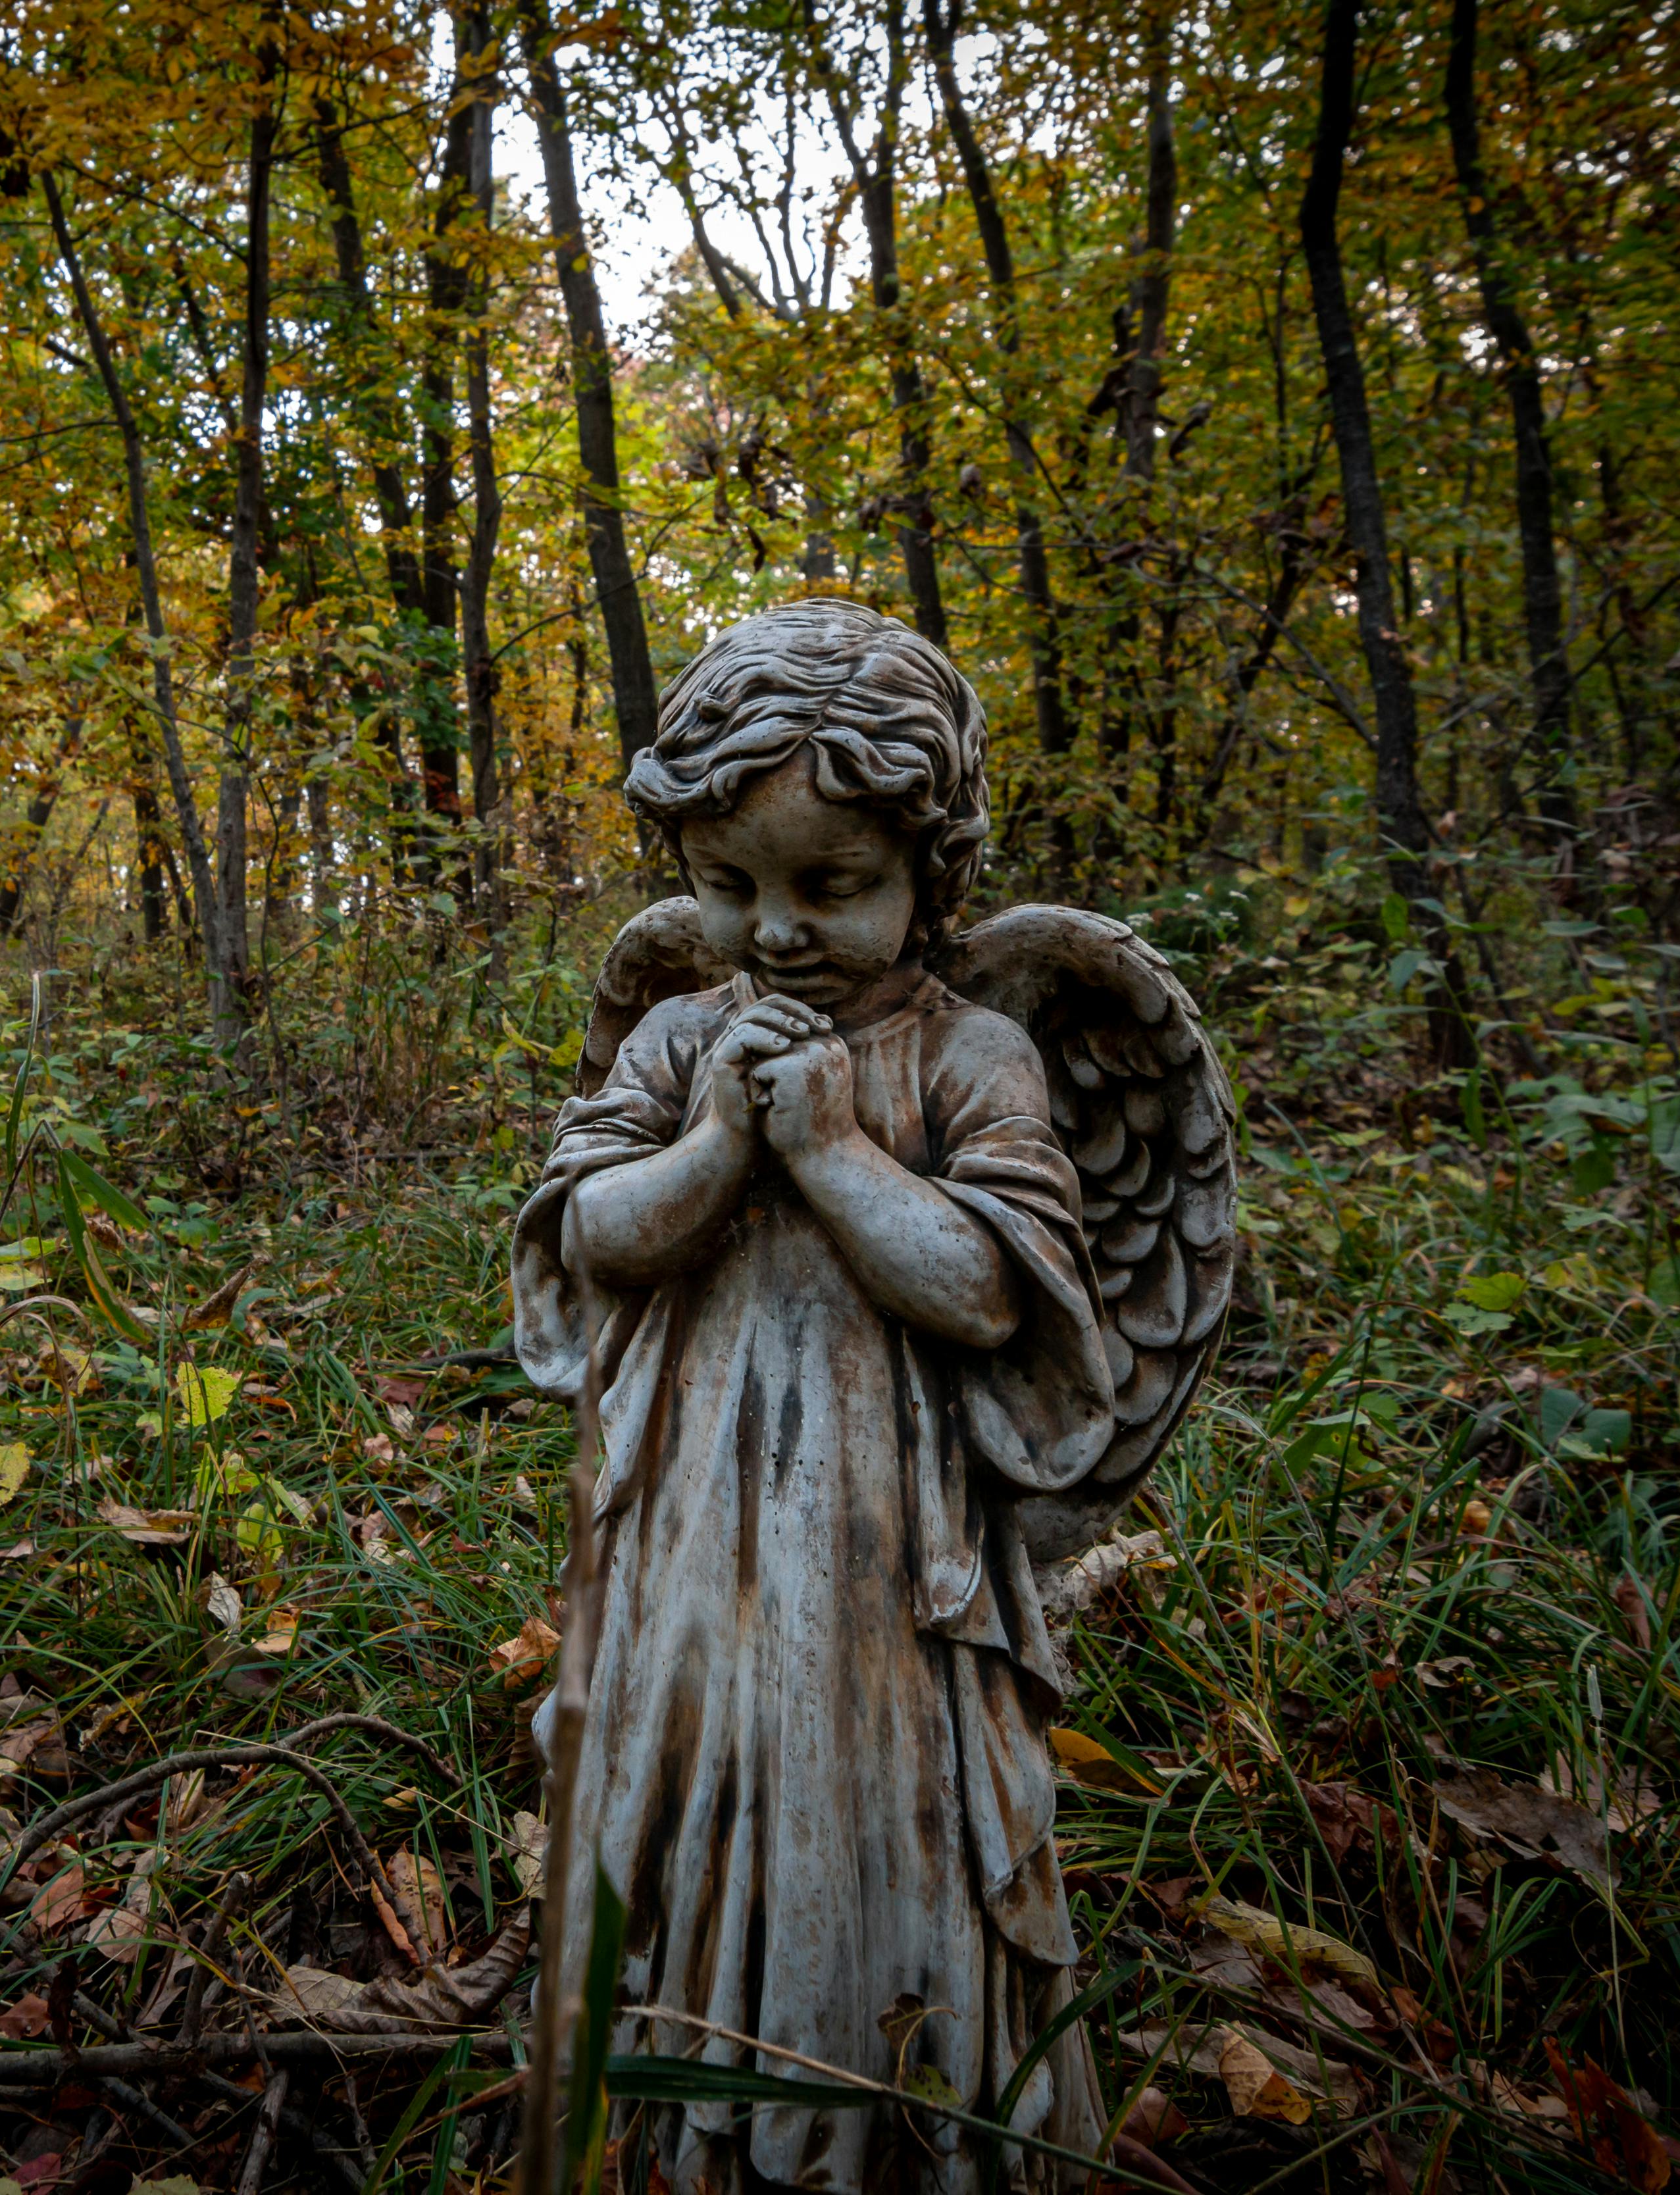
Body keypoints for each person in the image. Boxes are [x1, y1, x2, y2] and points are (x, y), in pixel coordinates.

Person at [512, 597, 1119, 2195]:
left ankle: (893, 2116)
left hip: (881, 1559)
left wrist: (837, 1151)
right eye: (729, 887)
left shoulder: (973, 1052)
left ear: (932, 879)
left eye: (831, 887)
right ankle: (673, 2102)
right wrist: (716, 1143)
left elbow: (993, 1288)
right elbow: (592, 1238)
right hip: (686, 1532)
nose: (775, 931)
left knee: (866, 1802)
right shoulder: (671, 1036)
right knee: (692, 1786)